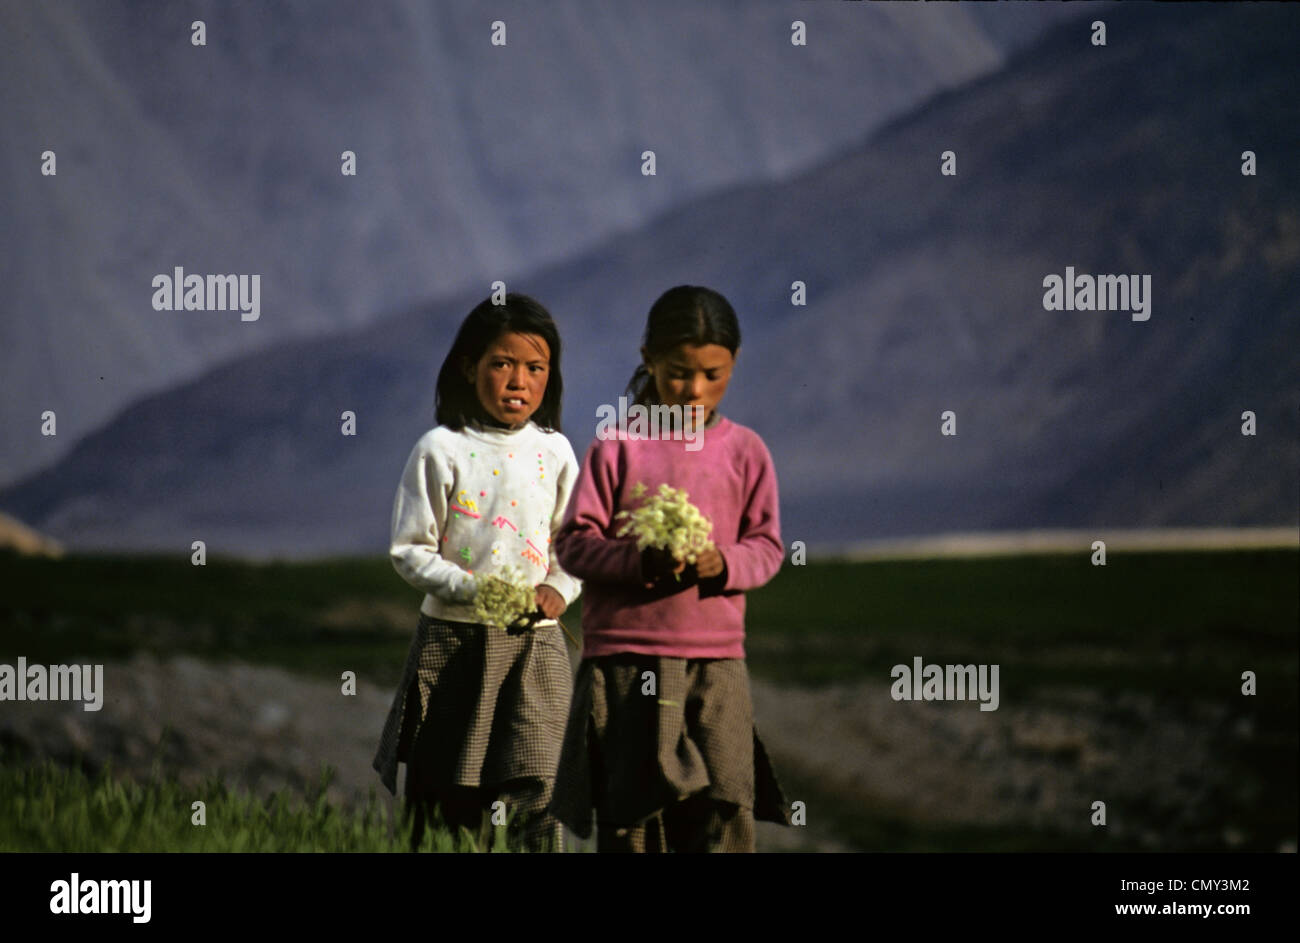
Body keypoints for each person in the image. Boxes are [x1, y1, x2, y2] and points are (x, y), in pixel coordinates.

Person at [550, 284, 790, 852]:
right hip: (627, 662)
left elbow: (767, 546)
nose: (695, 390)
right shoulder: (618, 446)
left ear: (733, 365)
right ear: (649, 360)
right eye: (680, 372)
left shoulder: (746, 451)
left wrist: (723, 563)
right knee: (633, 817)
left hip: (716, 662)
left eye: (714, 373)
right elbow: (575, 545)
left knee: (723, 810)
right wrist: (639, 561)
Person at [372, 292, 582, 852]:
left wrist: (559, 589)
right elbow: (410, 549)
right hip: (454, 642)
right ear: (470, 366)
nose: (518, 381)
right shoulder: (440, 449)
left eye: (534, 368)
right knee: (446, 792)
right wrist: (475, 592)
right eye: (502, 364)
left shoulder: (556, 452)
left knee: (540, 786)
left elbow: (572, 543)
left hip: (536, 648)